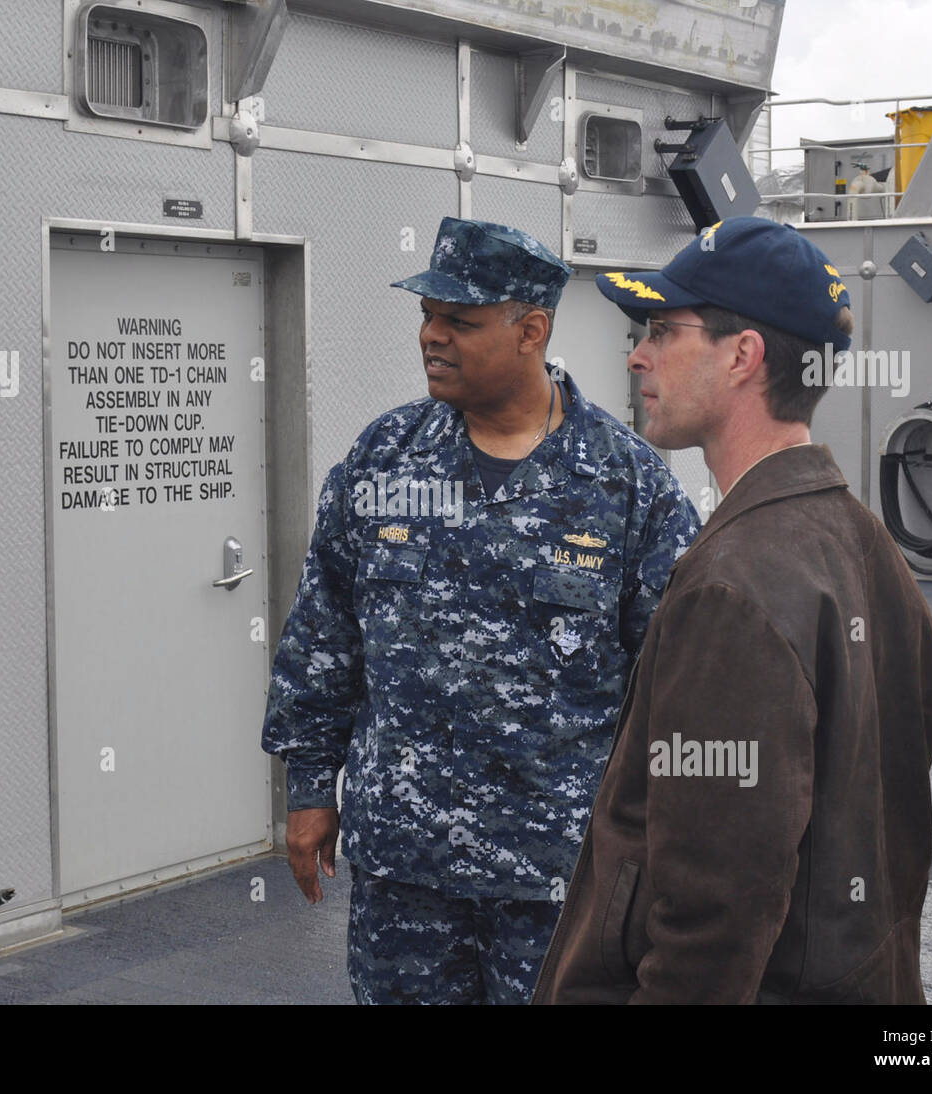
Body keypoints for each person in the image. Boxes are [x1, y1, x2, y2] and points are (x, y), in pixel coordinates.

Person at [262, 216, 699, 1004]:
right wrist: (310, 787)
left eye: (460, 321)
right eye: (427, 316)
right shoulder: (385, 458)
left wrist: (660, 844)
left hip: (557, 872)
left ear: (531, 331)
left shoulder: (626, 483)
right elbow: (323, 636)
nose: (432, 337)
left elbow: (675, 682)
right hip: (404, 869)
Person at [532, 216, 932, 1005]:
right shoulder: (865, 544)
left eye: (664, 330)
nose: (638, 354)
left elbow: (714, 918)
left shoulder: (733, 588)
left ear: (743, 356)